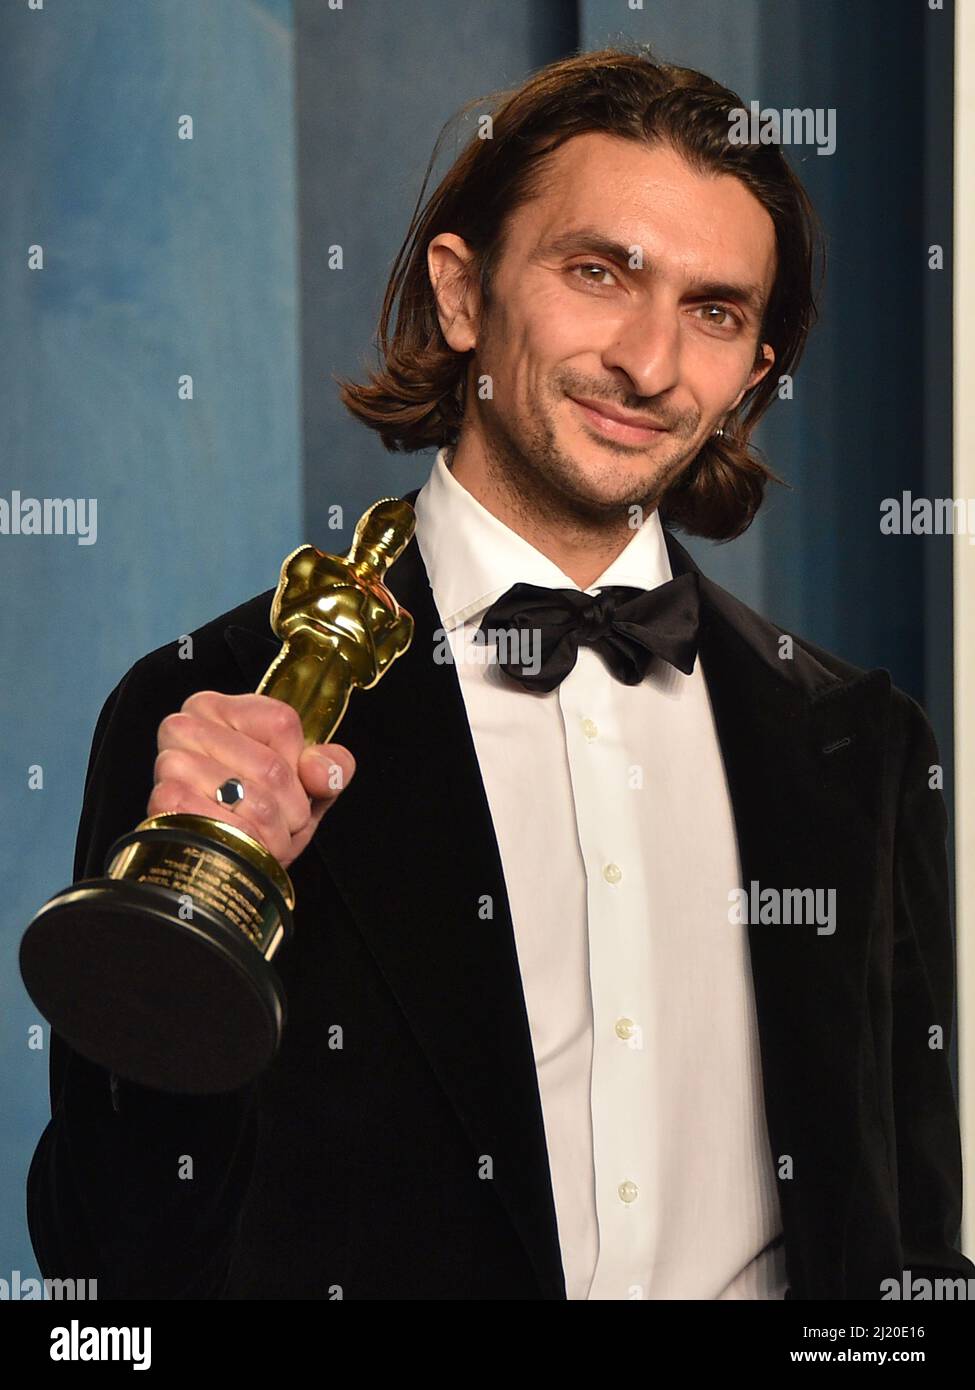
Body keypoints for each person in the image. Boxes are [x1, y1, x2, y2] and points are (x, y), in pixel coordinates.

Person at [27, 44, 973, 1300]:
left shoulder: (862, 742)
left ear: (753, 373)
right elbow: (120, 1258)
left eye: (715, 310)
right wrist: (175, 945)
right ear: (463, 294)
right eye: (600, 273)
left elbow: (903, 1244)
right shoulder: (214, 703)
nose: (649, 362)